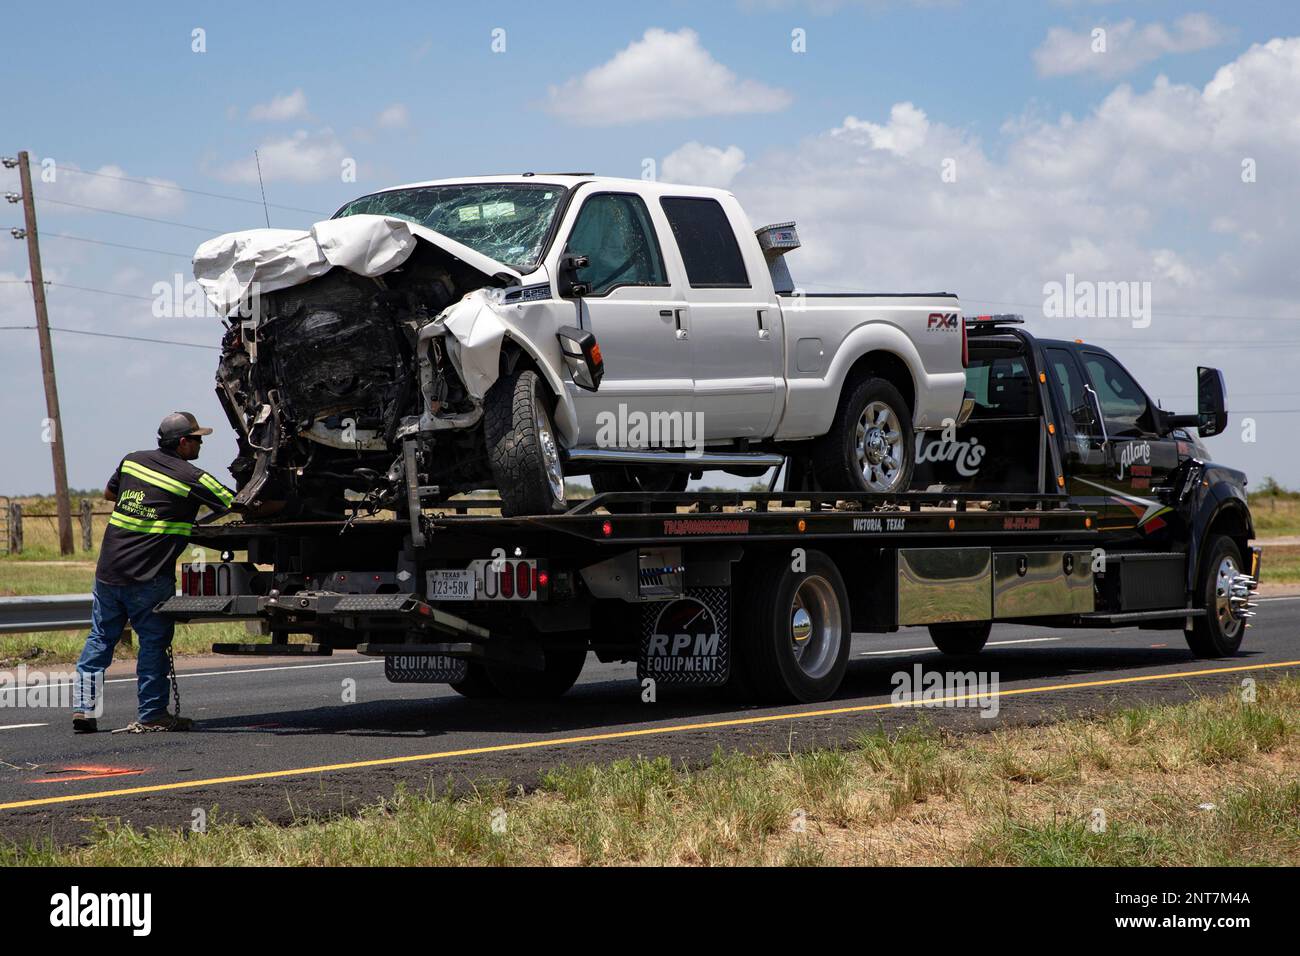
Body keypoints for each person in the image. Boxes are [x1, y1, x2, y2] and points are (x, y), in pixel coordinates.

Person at [71, 412, 235, 733]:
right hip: (149, 578)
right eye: (198, 438)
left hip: (109, 573)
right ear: (184, 442)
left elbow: (109, 493)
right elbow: (234, 503)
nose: (201, 443)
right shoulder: (193, 477)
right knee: (152, 645)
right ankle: (152, 713)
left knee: (100, 639)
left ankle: (84, 709)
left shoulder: (132, 461)